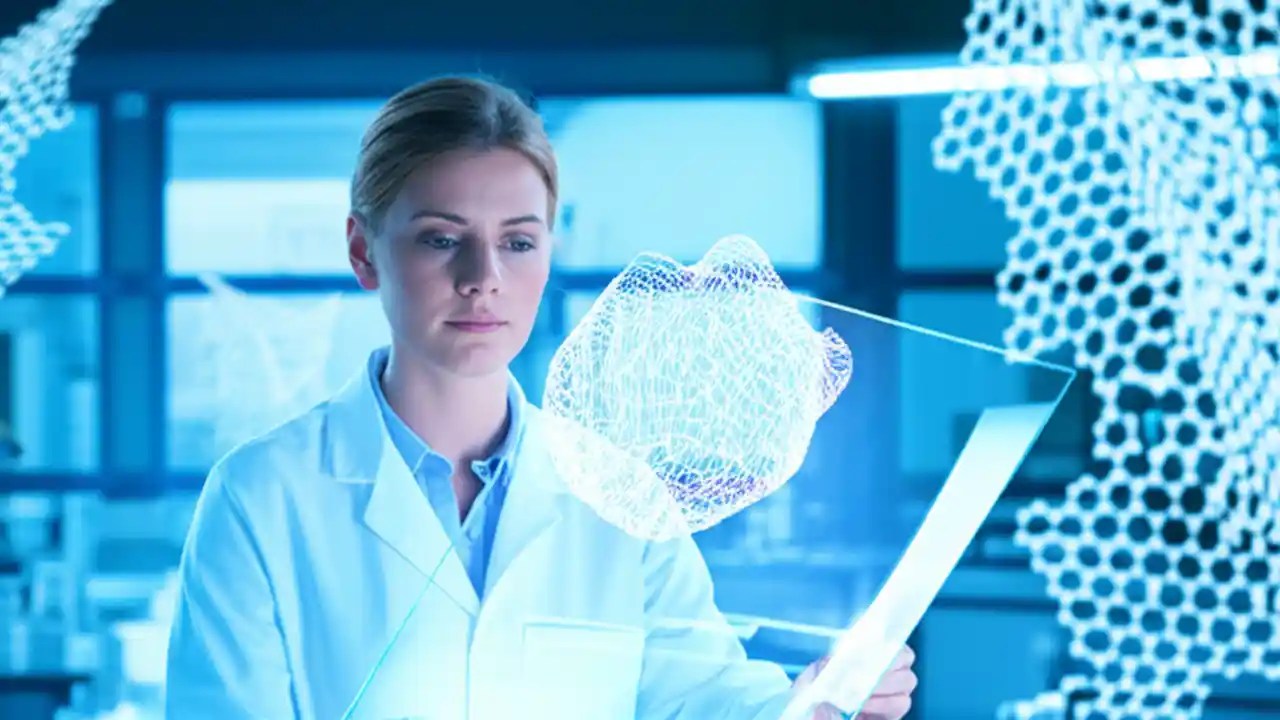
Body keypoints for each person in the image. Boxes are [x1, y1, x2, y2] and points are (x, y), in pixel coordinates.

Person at [164, 75, 917, 720]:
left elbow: (699, 696)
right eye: (441, 239)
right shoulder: (263, 495)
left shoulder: (619, 495)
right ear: (364, 251)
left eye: (518, 242)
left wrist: (808, 704)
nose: (483, 277)